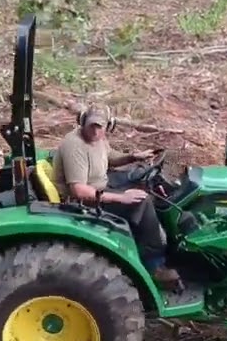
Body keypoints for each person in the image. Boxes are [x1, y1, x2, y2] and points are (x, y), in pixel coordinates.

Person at [51, 105, 181, 286]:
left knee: (141, 180)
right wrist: (121, 198)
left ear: (109, 126)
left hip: (101, 183)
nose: (95, 131)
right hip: (81, 202)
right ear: (82, 122)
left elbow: (110, 156)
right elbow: (79, 190)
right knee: (142, 201)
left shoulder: (98, 139)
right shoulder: (75, 146)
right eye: (92, 126)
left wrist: (134, 157)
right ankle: (154, 266)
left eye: (100, 127)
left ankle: (151, 238)